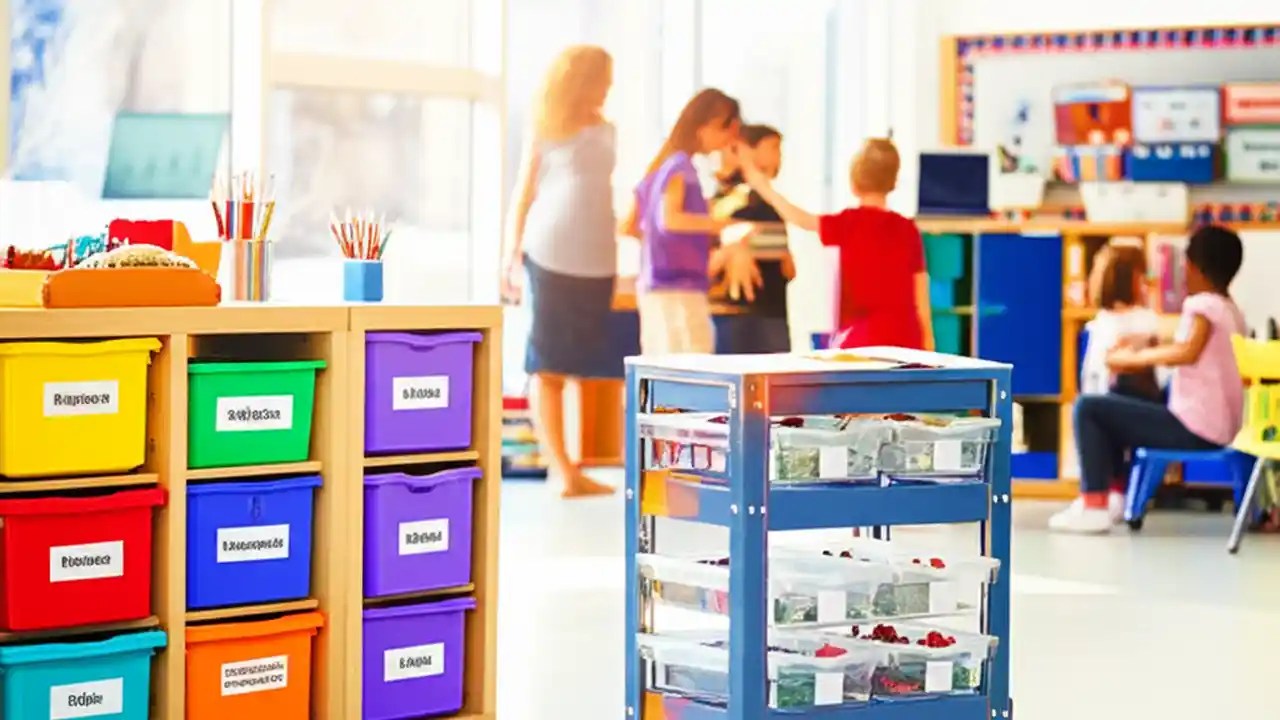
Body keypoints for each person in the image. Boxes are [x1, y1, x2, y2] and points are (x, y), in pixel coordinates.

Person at [1050, 225, 1247, 534]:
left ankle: (1094, 504)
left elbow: (1187, 351)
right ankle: (1114, 497)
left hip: (1195, 429)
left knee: (1089, 408)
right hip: (1217, 426)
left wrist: (1131, 359)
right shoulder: (1230, 310)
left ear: (1194, 267)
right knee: (1121, 396)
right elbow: (1187, 345)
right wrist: (1142, 346)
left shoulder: (1202, 305)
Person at [501, 45, 616, 498]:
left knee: (577, 366)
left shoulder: (608, 130)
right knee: (547, 365)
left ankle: (573, 468)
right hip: (551, 256)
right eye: (603, 79)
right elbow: (524, 194)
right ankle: (561, 470)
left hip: (598, 261)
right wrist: (509, 255)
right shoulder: (546, 127)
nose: (608, 87)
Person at [739, 137, 934, 351]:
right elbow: (922, 300)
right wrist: (928, 348)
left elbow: (798, 217)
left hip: (860, 340)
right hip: (906, 339)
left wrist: (763, 186)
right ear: (893, 182)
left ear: (854, 183)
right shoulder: (908, 230)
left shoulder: (845, 224)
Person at [624, 88, 757, 354]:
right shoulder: (680, 168)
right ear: (707, 125)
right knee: (691, 359)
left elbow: (637, 224)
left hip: (665, 284)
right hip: (676, 286)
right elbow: (670, 219)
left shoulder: (666, 167)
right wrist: (723, 226)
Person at [709, 124, 794, 354]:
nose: (779, 156)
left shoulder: (768, 199)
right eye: (773, 148)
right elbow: (721, 236)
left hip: (772, 307)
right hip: (742, 310)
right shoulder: (734, 196)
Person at [1080, 240, 1164, 401]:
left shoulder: (1101, 321)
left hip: (1102, 400)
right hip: (1127, 402)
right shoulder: (1145, 320)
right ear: (1134, 278)